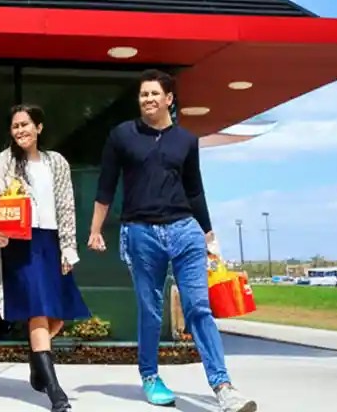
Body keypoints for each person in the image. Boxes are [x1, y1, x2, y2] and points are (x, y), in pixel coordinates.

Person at [88, 69, 256, 412]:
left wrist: (209, 235)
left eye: (154, 94)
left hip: (185, 231)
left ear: (169, 99)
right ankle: (150, 376)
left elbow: (195, 190)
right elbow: (106, 185)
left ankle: (223, 387)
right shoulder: (122, 135)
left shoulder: (186, 140)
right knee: (150, 311)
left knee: (198, 308)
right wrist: (94, 229)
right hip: (140, 232)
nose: (147, 99)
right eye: (143, 94)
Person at [0, 104, 89, 412]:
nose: (20, 131)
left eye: (25, 124)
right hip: (20, 244)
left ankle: (35, 357)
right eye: (15, 126)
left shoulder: (57, 163)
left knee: (59, 313)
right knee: (38, 310)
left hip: (51, 241)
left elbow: (67, 206)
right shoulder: (6, 161)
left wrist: (68, 247)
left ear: (39, 127)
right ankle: (55, 392)